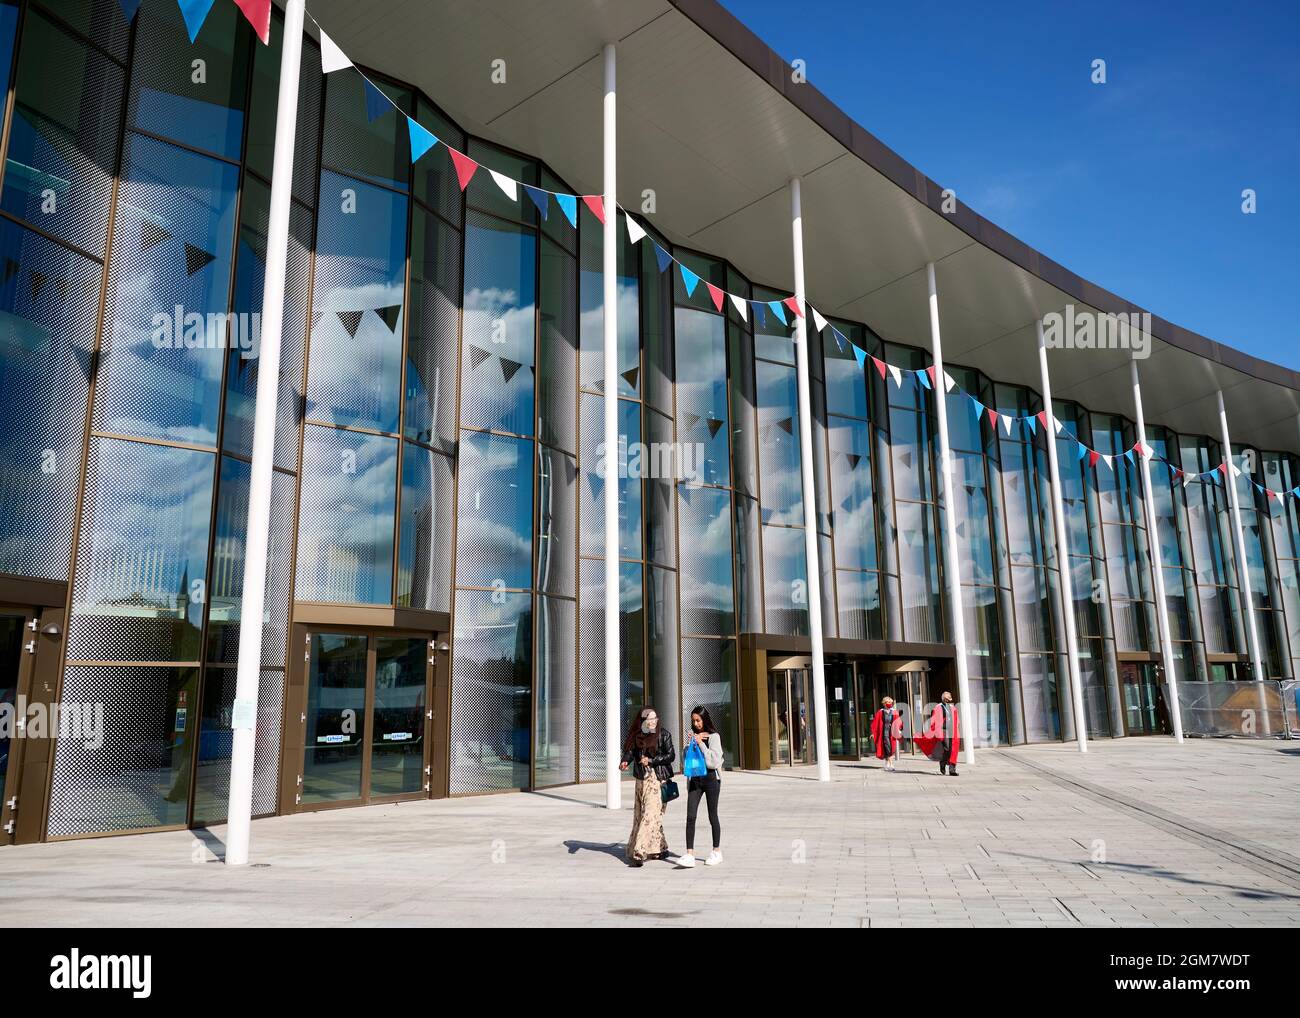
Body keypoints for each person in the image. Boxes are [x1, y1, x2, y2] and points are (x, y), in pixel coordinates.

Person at [619, 705, 676, 866]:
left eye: (654, 719)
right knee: (642, 814)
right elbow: (631, 752)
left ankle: (639, 850)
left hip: (657, 780)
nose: (652, 722)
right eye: (649, 719)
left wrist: (651, 761)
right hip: (641, 780)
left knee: (650, 814)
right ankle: (660, 848)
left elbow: (670, 755)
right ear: (643, 721)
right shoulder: (638, 736)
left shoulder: (664, 734)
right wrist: (625, 761)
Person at [677, 706, 724, 869]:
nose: (696, 723)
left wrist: (701, 744)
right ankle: (689, 854)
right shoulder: (694, 736)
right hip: (695, 780)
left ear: (705, 719)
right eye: (693, 720)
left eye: (698, 720)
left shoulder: (714, 737)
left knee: (712, 816)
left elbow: (714, 762)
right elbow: (686, 762)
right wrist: (690, 745)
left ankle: (716, 851)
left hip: (711, 779)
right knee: (690, 816)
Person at [918, 691, 961, 776]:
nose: (948, 699)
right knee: (947, 748)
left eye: (949, 697)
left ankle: (952, 769)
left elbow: (957, 720)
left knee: (953, 750)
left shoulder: (953, 708)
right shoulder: (938, 707)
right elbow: (934, 720)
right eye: (946, 697)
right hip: (943, 731)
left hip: (952, 731)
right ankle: (943, 763)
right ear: (943, 698)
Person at [870, 696, 903, 771]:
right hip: (884, 733)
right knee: (887, 747)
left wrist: (898, 729)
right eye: (888, 702)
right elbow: (875, 723)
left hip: (892, 733)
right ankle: (890, 764)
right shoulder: (880, 712)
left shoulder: (894, 712)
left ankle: (887, 762)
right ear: (884, 703)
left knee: (891, 748)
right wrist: (873, 733)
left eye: (890, 702)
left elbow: (899, 722)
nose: (889, 704)